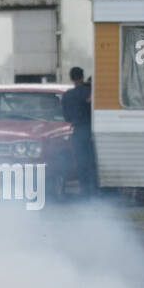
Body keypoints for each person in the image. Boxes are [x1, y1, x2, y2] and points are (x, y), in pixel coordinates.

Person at [62, 66, 97, 196]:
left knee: (81, 162)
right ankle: (95, 191)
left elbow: (66, 116)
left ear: (71, 78)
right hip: (90, 129)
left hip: (77, 131)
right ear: (82, 76)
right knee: (91, 162)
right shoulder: (90, 92)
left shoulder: (67, 95)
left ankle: (84, 191)